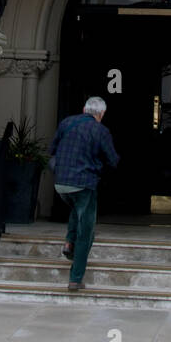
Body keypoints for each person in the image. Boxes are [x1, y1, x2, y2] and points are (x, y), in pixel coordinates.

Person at [49, 96, 119, 291]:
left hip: (61, 182)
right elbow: (112, 159)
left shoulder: (66, 122)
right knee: (86, 232)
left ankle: (68, 242)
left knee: (76, 208)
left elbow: (52, 149)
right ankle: (75, 278)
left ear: (84, 109)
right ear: (101, 114)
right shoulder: (100, 130)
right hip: (83, 183)